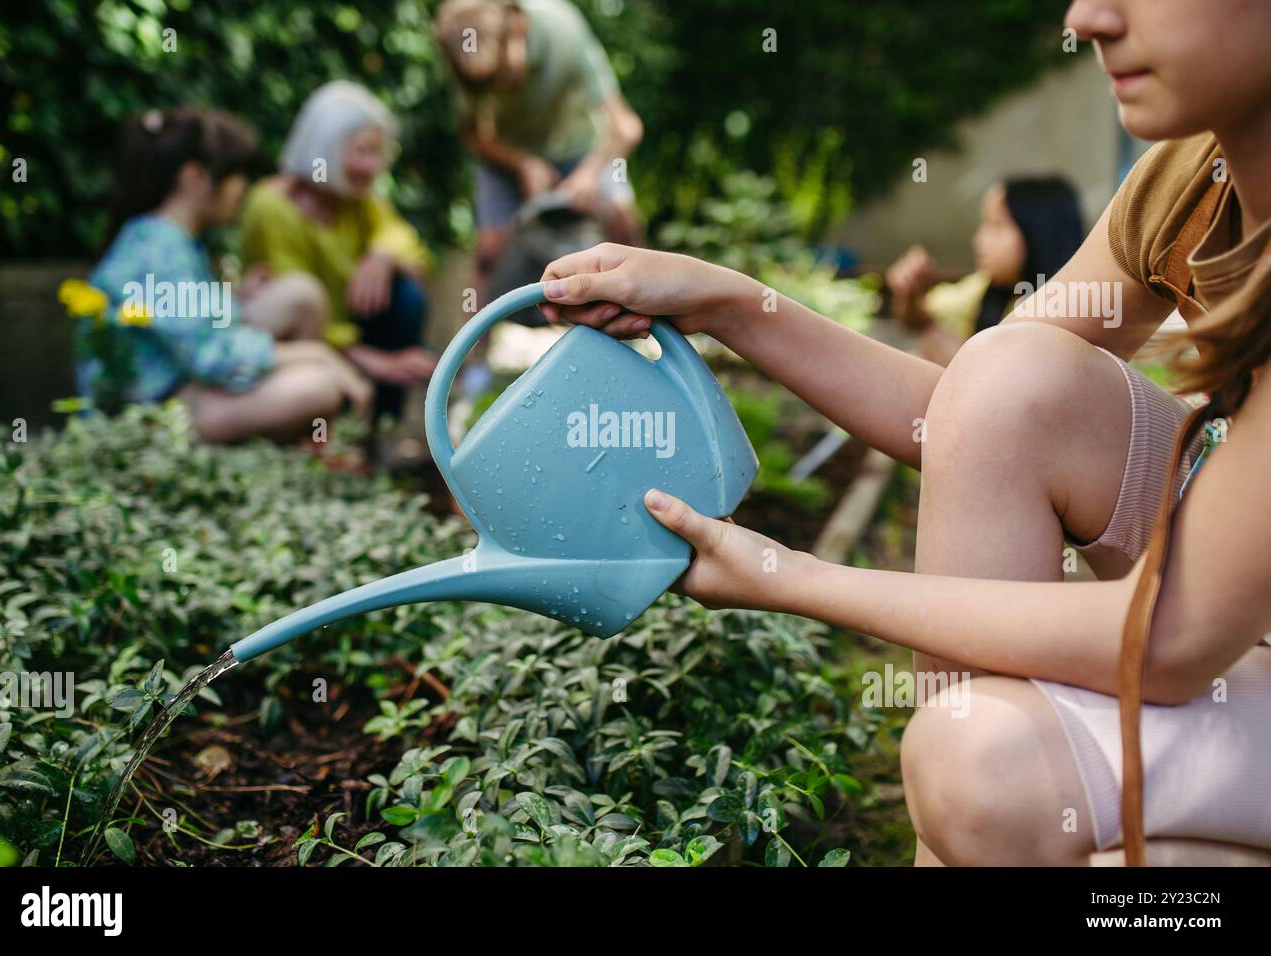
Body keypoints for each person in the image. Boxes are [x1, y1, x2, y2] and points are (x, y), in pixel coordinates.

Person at [536, 0, 1271, 866]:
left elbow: (1171, 642)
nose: (1090, 16)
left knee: (979, 767)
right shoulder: (1190, 180)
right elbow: (970, 411)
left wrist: (792, 576)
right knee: (1010, 372)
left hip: (1205, 631)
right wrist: (726, 302)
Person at [76, 106, 371, 443]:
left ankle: (305, 442)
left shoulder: (162, 235)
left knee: (301, 295)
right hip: (154, 412)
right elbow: (209, 356)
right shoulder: (161, 251)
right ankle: (297, 444)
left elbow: (185, 325)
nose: (242, 187)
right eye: (235, 174)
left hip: (181, 381)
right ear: (195, 178)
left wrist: (230, 298)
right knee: (319, 385)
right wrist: (318, 354)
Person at [238, 81, 437, 426]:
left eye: (377, 153)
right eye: (360, 151)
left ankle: (378, 429)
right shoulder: (273, 208)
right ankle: (344, 426)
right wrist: (381, 363)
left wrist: (382, 256)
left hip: (348, 335)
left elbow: (411, 248)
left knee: (407, 296)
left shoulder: (355, 201)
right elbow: (300, 320)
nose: (372, 167)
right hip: (301, 346)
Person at [434, 0, 644, 312]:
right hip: (509, 153)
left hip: (582, 149)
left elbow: (627, 128)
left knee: (624, 226)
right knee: (487, 254)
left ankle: (651, 333)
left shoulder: (563, 28)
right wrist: (521, 164)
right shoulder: (467, 49)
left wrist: (588, 175)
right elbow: (474, 135)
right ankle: (473, 356)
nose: (501, 88)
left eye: (504, 72)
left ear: (517, 25)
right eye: (490, 84)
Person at [886, 176, 1084, 365]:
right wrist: (911, 294)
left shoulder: (1061, 312)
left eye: (996, 226)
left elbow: (988, 378)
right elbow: (918, 317)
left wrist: (928, 331)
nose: (979, 240)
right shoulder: (986, 287)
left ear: (1039, 233)